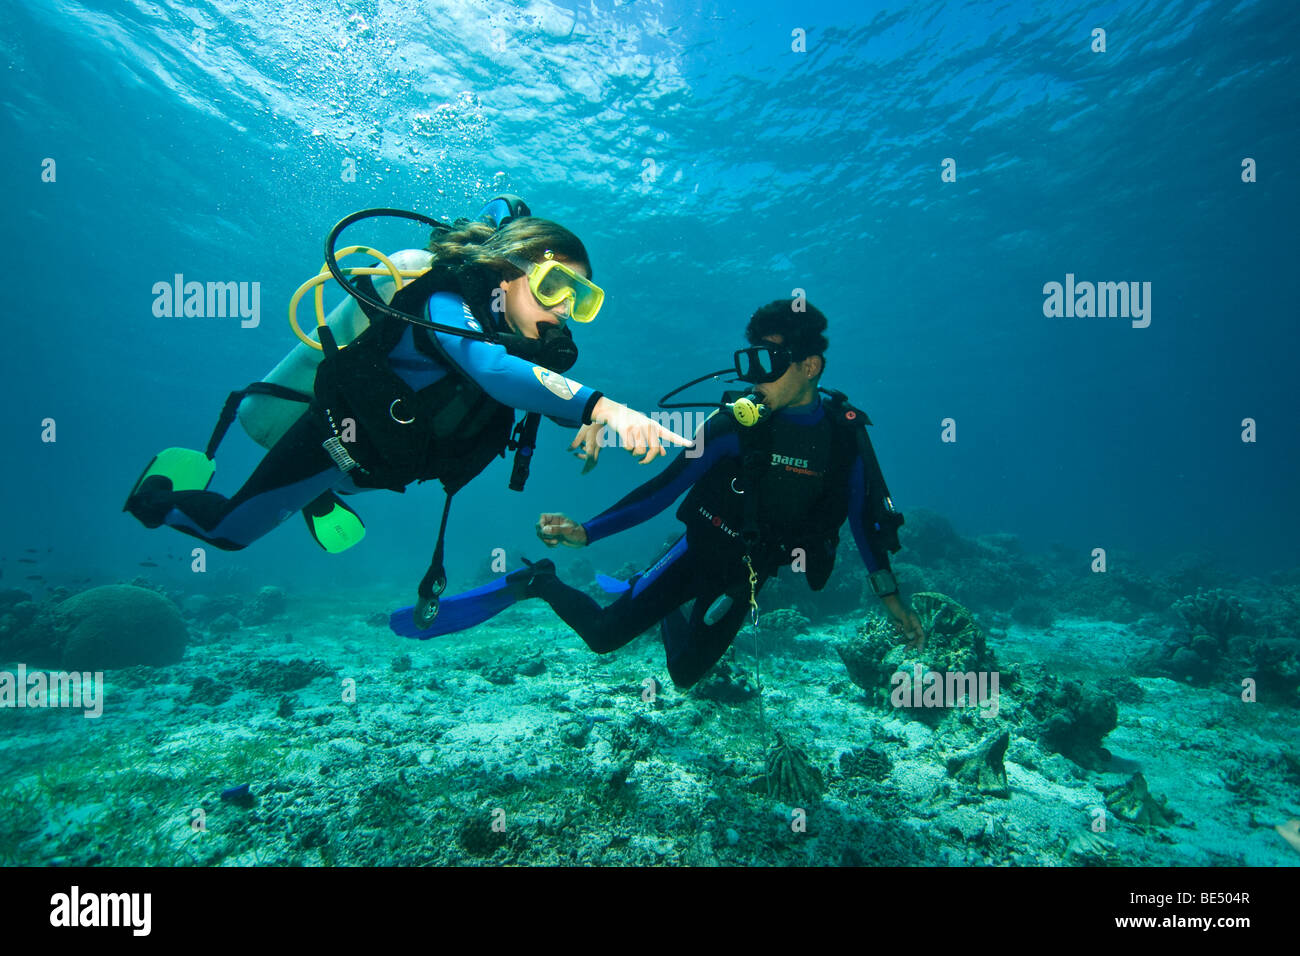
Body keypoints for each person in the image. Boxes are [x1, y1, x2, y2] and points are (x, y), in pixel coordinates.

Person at [125, 196, 688, 624]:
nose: (564, 308)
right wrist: (606, 407)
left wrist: (585, 418)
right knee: (231, 533)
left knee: (339, 489)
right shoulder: (445, 299)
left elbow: (531, 385)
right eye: (553, 286)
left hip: (386, 463)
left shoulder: (522, 336)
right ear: (505, 270)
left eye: (581, 300)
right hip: (336, 442)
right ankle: (153, 498)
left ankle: (320, 497)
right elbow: (490, 370)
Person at [394, 297, 924, 687]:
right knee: (603, 636)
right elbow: (661, 490)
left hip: (752, 574)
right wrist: (587, 532)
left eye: (768, 363)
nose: (754, 380)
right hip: (698, 553)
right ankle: (540, 580)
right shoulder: (730, 427)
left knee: (686, 675)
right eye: (749, 362)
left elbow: (863, 519)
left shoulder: (845, 436)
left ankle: (658, 604)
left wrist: (890, 597)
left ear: (811, 367)